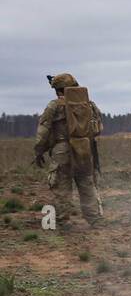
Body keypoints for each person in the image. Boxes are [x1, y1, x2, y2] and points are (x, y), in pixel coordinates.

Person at [33, 72, 103, 227]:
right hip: (84, 149)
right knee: (86, 183)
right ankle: (94, 219)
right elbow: (98, 127)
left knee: (62, 186)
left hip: (62, 150)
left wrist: (39, 151)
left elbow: (43, 131)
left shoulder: (54, 106)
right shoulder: (88, 104)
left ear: (58, 90)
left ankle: (63, 221)